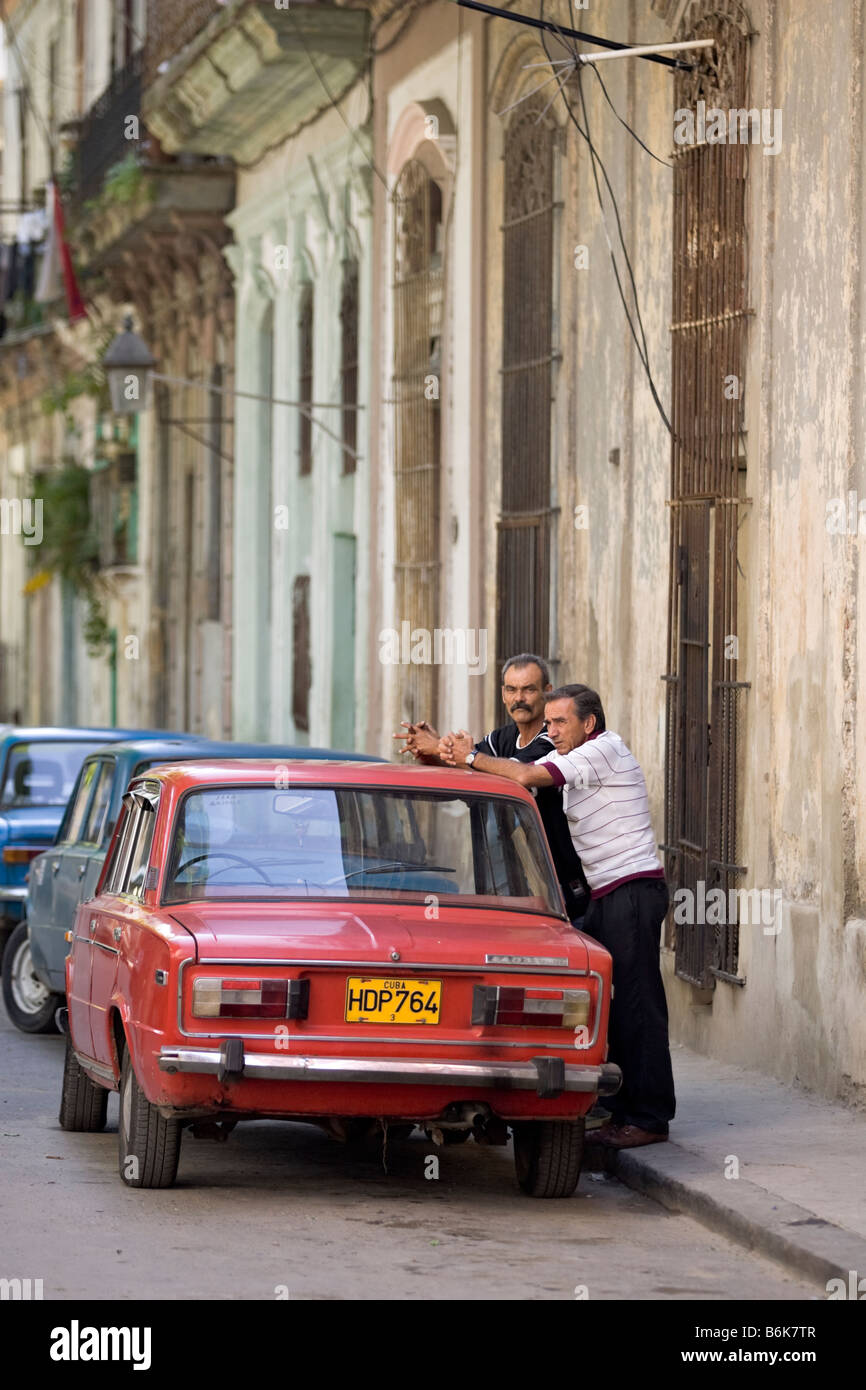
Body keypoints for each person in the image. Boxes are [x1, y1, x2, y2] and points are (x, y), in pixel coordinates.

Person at [441, 683, 675, 1150]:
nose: (551, 730)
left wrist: (469, 758)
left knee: (636, 1005)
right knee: (612, 1007)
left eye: (560, 722)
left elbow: (526, 776)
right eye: (547, 723)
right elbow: (513, 775)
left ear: (588, 723)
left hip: (631, 890)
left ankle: (648, 1117)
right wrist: (448, 755)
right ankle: (619, 1108)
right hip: (607, 894)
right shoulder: (579, 761)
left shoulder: (603, 750)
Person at [394, 654, 590, 923]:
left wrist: (441, 746)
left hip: (569, 885)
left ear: (547, 692)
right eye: (512, 690)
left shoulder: (554, 739)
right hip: (515, 896)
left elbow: (512, 774)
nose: (519, 698)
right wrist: (433, 754)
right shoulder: (502, 738)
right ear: (503, 694)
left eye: (528, 689)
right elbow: (470, 771)